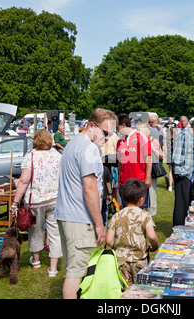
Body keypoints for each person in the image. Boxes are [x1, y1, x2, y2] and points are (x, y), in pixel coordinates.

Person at [54, 108, 117, 299]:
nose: (106, 138)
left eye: (110, 134)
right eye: (105, 133)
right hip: (80, 219)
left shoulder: (74, 143)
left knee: (76, 271)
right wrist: (100, 225)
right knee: (77, 274)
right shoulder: (89, 148)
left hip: (67, 216)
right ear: (91, 126)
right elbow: (89, 189)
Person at [10, 129, 62, 277]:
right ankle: (53, 268)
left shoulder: (30, 156)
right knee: (55, 234)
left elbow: (24, 181)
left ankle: (37, 261)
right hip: (55, 199)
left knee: (35, 231)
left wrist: (15, 202)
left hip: (36, 201)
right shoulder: (57, 156)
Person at [106, 178, 159, 286]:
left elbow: (108, 239)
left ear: (123, 198)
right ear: (141, 200)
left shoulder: (117, 216)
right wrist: (154, 246)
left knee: (123, 288)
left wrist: (116, 246)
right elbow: (152, 236)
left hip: (121, 261)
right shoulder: (145, 215)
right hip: (139, 259)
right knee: (140, 289)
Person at [116, 113, 152, 209]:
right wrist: (119, 181)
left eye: (117, 128)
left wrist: (148, 177)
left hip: (138, 182)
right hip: (124, 183)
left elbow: (148, 158)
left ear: (123, 125)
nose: (117, 131)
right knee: (126, 212)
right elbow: (120, 162)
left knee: (138, 213)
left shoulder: (142, 136)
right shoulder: (120, 141)